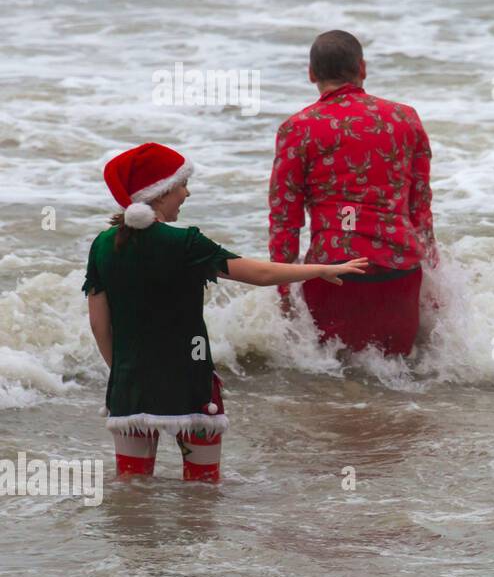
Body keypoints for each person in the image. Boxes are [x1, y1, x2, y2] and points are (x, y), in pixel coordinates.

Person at [84, 143, 367, 482]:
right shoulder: (186, 242)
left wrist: (121, 371)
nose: (186, 193)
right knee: (202, 488)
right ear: (160, 193)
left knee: (132, 486)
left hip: (129, 385)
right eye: (180, 185)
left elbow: (99, 324)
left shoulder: (102, 244)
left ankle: (135, 536)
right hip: (188, 382)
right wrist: (317, 270)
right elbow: (258, 274)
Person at [269, 30, 438, 356]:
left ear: (311, 73)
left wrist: (283, 289)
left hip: (332, 275)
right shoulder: (404, 118)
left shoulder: (298, 128)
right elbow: (420, 205)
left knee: (328, 381)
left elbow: (284, 217)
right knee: (401, 382)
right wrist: (433, 274)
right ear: (362, 68)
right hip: (400, 271)